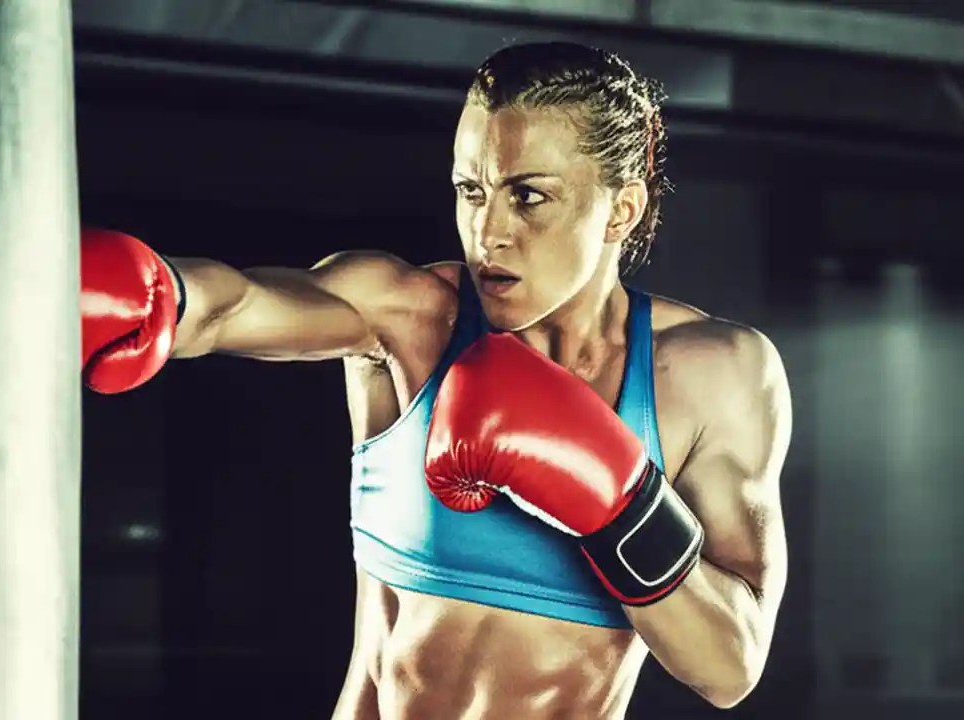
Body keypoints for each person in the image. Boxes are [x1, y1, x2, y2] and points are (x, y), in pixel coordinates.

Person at [81, 42, 792, 720]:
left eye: (529, 197)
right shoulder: (408, 320)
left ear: (622, 209)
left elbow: (731, 667)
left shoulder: (711, 374)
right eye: (470, 189)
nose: (489, 231)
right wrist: (160, 297)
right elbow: (233, 306)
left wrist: (618, 503)